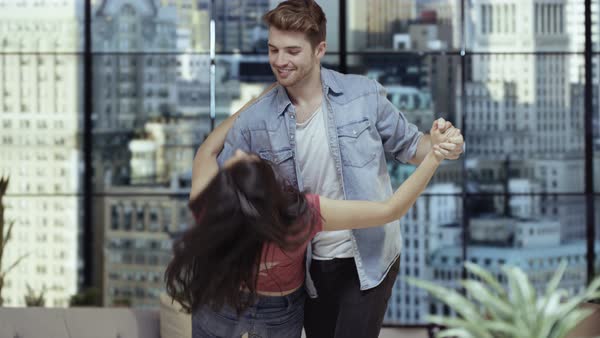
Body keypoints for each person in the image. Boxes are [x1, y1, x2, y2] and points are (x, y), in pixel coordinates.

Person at [195, 1, 465, 336]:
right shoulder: (254, 122)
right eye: (273, 49)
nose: (280, 61)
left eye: (292, 51)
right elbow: (224, 193)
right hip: (306, 268)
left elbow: (413, 147)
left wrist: (443, 143)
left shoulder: (363, 95)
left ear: (320, 49)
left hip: (369, 255)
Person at [166, 98, 462, 338]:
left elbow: (207, 150)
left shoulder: (209, 204)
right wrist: (434, 157)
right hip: (278, 309)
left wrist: (255, 103)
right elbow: (390, 209)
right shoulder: (298, 213)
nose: (243, 150)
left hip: (220, 298)